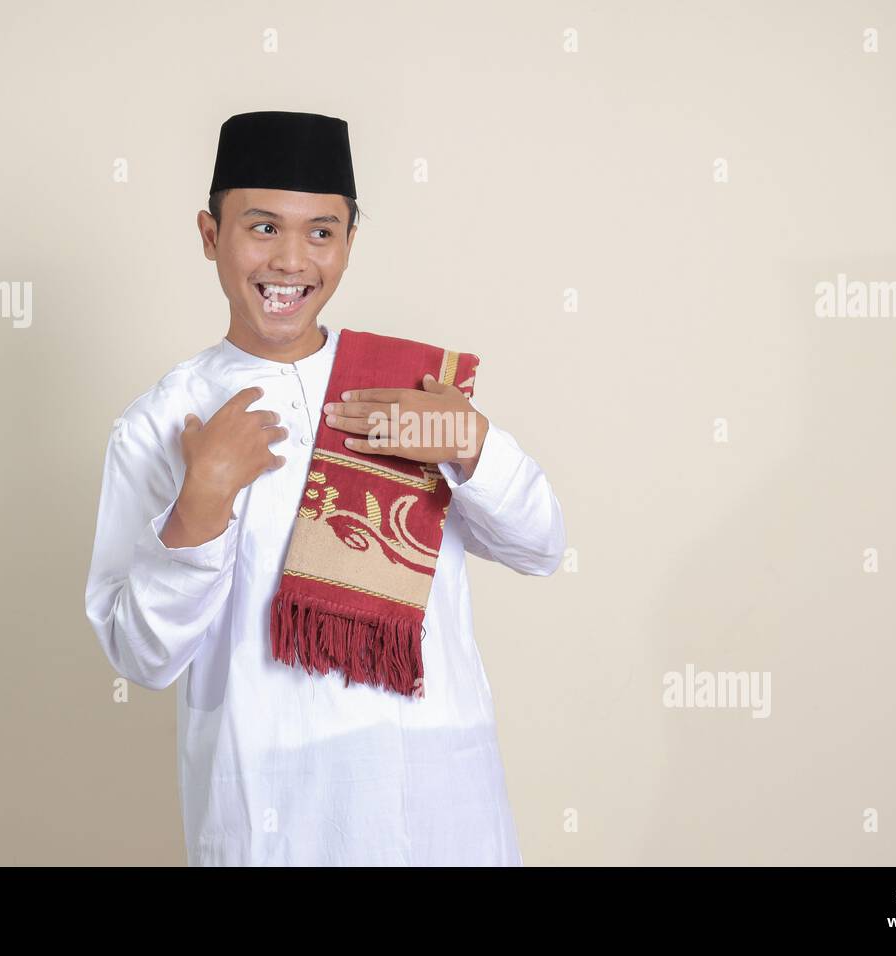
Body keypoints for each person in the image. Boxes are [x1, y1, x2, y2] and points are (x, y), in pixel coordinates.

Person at [83, 110, 566, 865]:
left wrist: (472, 443)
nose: (291, 260)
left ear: (348, 244)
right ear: (211, 235)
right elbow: (141, 655)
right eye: (263, 227)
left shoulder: (410, 388)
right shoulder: (159, 423)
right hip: (274, 807)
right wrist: (201, 503)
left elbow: (542, 549)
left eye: (321, 232)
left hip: (444, 800)